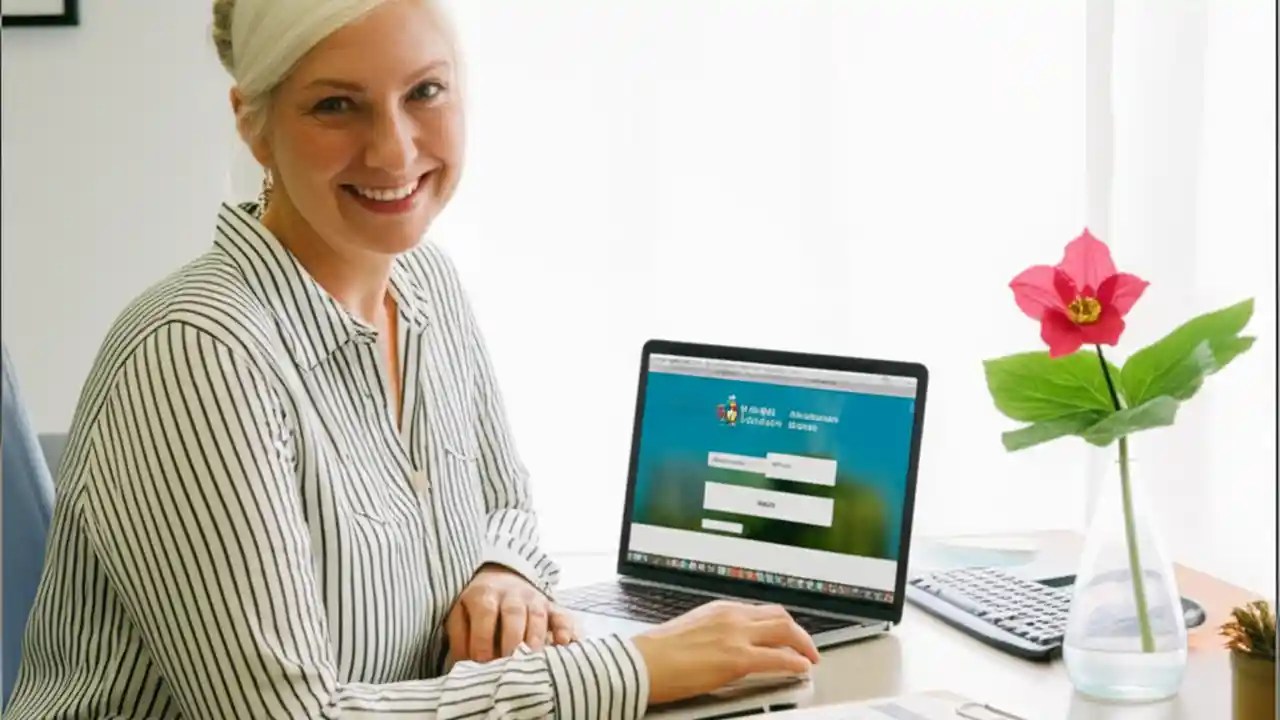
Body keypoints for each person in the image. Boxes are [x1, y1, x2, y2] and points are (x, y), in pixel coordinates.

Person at [5, 1, 819, 717]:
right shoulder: (197, 357)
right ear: (252, 124)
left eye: (424, 92)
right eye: (335, 106)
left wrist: (502, 573)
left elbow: (506, 502)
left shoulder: (425, 280)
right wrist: (634, 669)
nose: (394, 153)